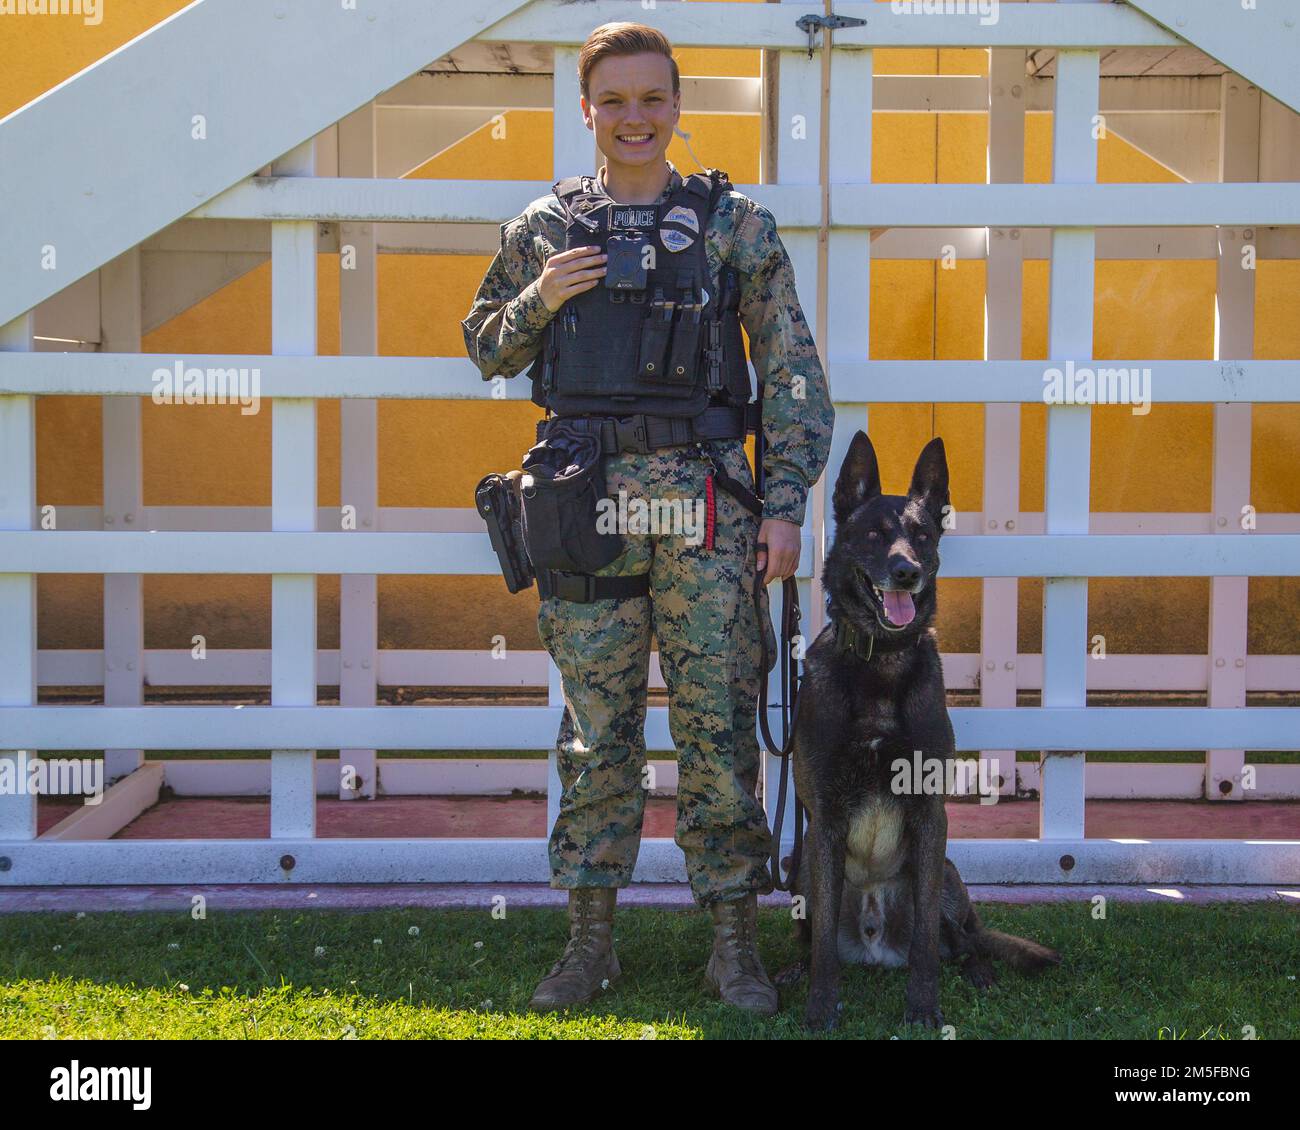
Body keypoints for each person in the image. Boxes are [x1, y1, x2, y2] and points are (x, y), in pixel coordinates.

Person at [461, 21, 833, 1015]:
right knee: (597, 728)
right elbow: (486, 348)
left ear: (677, 106)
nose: (635, 118)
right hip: (589, 499)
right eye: (613, 101)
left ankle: (733, 944)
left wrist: (785, 504)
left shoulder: (731, 225)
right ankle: (590, 942)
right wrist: (541, 295)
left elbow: (793, 373)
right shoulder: (543, 227)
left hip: (704, 499)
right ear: (586, 109)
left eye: (652, 99)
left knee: (718, 722)